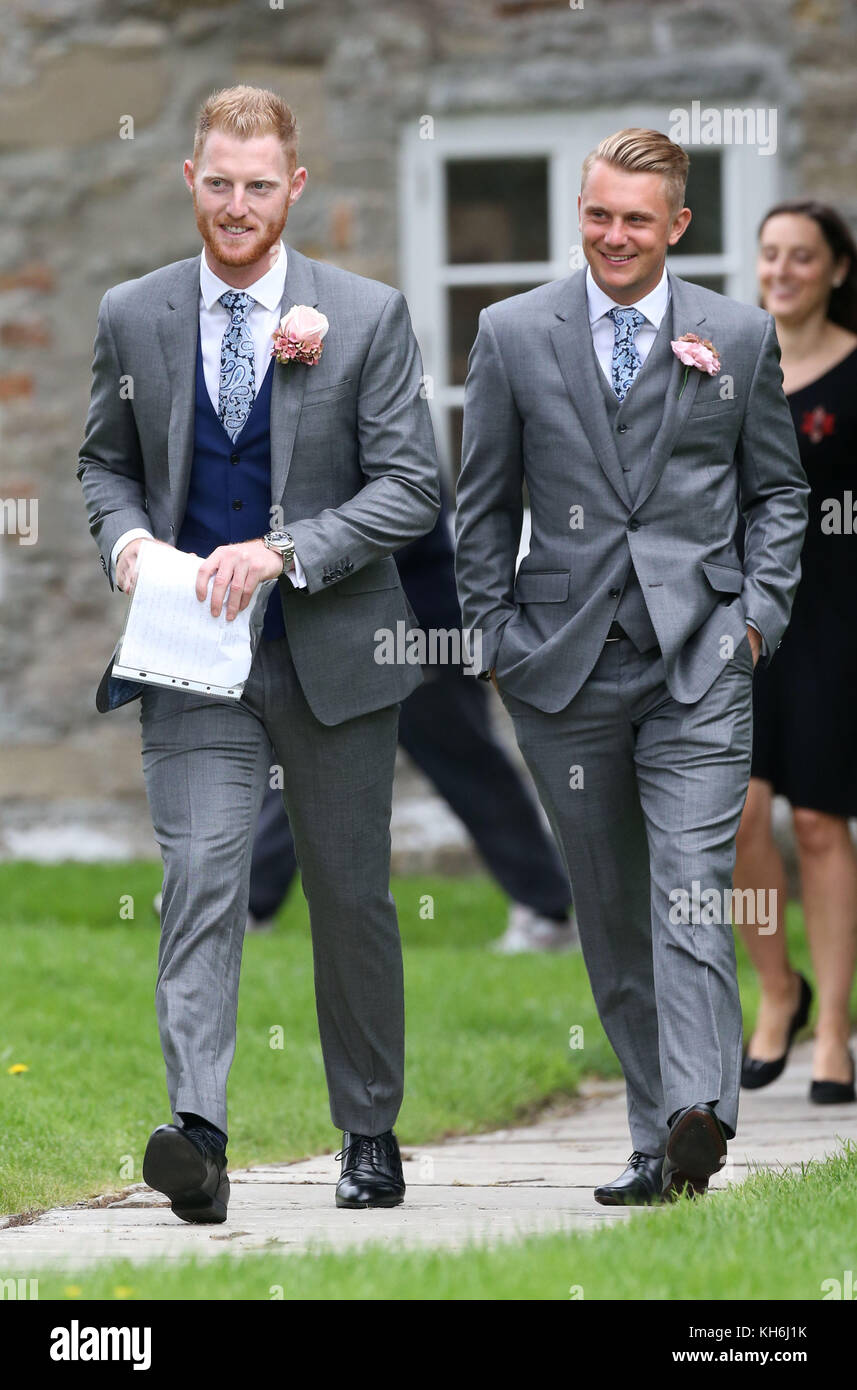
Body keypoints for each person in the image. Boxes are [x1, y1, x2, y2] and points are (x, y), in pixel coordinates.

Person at [77, 85, 440, 1223]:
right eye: (218, 184)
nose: (237, 206)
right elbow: (103, 464)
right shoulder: (132, 313)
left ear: (295, 188)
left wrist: (287, 550)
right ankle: (199, 1135)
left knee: (349, 897)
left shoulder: (366, 316)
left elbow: (411, 487)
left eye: (259, 185)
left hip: (331, 655)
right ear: (190, 181)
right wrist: (127, 538)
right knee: (201, 876)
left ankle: (369, 1130)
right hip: (191, 657)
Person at [454, 128, 809, 1206]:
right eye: (598, 215)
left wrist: (753, 616)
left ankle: (699, 1111)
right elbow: (480, 506)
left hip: (698, 661)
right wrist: (494, 639)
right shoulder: (512, 334)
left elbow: (778, 492)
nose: (614, 236)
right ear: (581, 209)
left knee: (689, 893)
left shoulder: (735, 336)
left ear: (677, 228)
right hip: (558, 671)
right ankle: (655, 1142)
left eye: (636, 221)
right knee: (612, 919)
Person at [247, 493, 577, 951]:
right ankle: (248, 901)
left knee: (467, 766)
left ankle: (546, 909)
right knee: (309, 761)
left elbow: (393, 523)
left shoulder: (392, 432)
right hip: (349, 628)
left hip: (418, 631)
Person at [735, 200, 857, 1104]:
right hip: (744, 614)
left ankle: (833, 1030)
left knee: (819, 822)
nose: (781, 271)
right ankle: (777, 991)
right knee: (738, 815)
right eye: (769, 254)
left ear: (837, 271)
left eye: (801, 257)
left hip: (837, 618)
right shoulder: (730, 361)